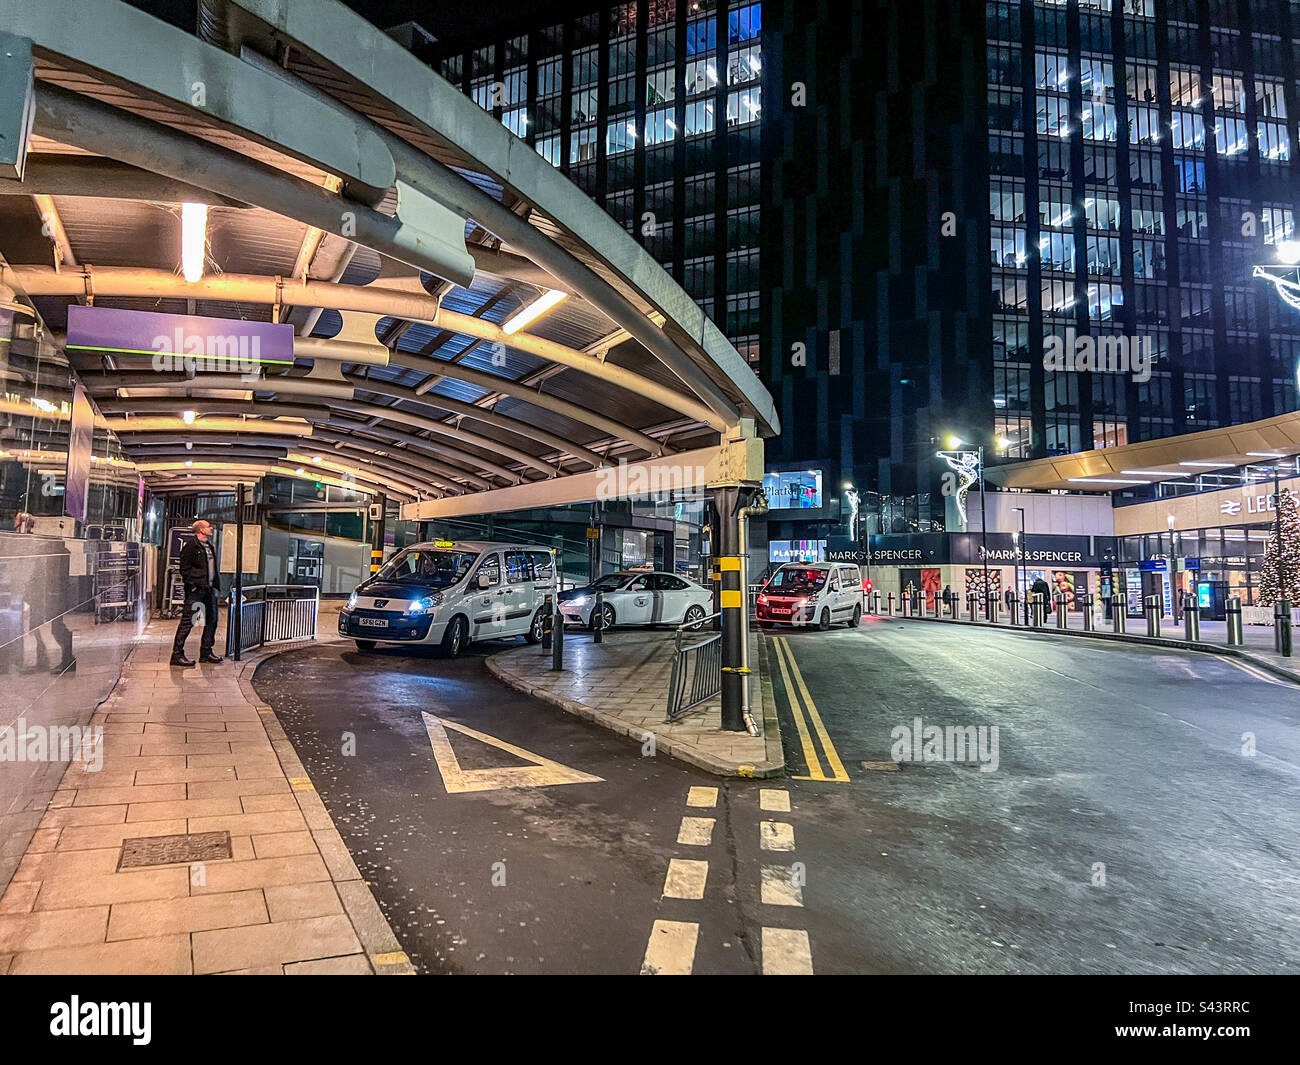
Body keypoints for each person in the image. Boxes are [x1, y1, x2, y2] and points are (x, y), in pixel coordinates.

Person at [171, 519, 223, 666]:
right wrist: (193, 584)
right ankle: (177, 654)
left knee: (212, 620)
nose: (211, 528)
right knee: (188, 622)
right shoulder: (191, 547)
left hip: (209, 589)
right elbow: (184, 569)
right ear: (201, 530)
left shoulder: (209, 546)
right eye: (208, 526)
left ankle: (206, 652)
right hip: (197, 590)